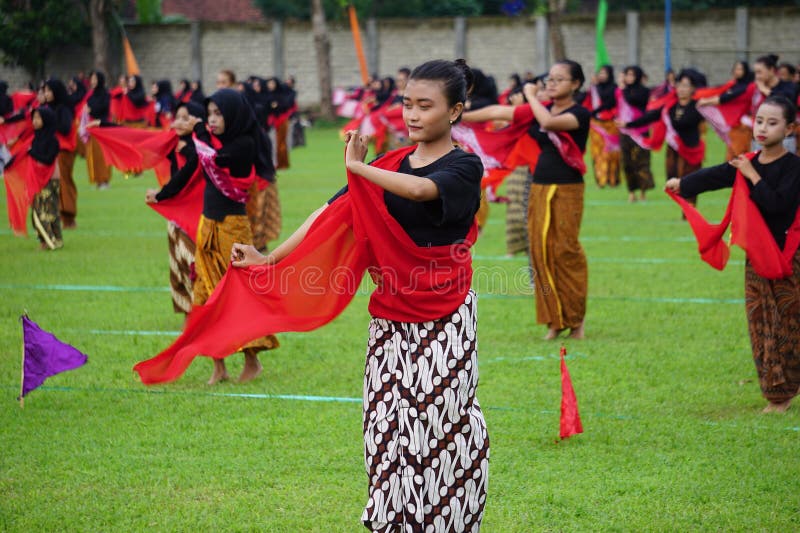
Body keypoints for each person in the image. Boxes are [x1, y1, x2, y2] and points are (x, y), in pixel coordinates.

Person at [228, 59, 490, 532]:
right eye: (407, 104)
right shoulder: (385, 166)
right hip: (389, 317)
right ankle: (394, 523)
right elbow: (328, 214)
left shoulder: (464, 165)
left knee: (440, 428)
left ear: (454, 113)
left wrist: (357, 168)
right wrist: (269, 259)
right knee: (385, 430)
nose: (412, 115)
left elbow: (420, 190)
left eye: (425, 106)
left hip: (445, 315)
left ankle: (450, 520)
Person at [666, 95, 800, 414]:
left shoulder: (793, 167)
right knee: (761, 322)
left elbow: (778, 204)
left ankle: (787, 385)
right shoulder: (747, 160)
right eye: (759, 121)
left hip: (788, 257)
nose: (763, 128)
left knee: (789, 322)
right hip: (757, 257)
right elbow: (714, 176)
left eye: (772, 122)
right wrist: (683, 183)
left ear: (791, 128)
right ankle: (777, 393)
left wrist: (751, 175)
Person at [460, 61, 591, 340]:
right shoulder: (536, 110)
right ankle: (554, 321)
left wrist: (531, 95)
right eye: (550, 80)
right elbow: (498, 111)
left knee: (565, 251)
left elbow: (549, 123)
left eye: (559, 80)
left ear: (576, 84)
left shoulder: (578, 113)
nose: (551, 84)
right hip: (540, 187)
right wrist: (457, 114)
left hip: (567, 189)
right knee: (540, 252)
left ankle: (576, 319)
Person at [195, 88, 279, 384]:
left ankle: (252, 360)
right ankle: (218, 365)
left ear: (233, 114)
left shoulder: (243, 143)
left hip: (233, 227)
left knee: (237, 295)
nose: (212, 120)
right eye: (209, 114)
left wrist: (195, 131)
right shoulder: (209, 141)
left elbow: (218, 159)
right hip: (207, 225)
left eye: (218, 114)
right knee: (206, 294)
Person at [145, 101, 207, 316]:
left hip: (195, 216)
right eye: (177, 117)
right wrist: (105, 126)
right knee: (179, 265)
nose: (178, 122)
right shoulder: (175, 142)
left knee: (192, 261)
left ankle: (201, 309)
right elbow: (140, 139)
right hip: (175, 213)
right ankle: (189, 311)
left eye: (185, 118)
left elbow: (185, 175)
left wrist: (161, 195)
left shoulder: (200, 147)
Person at [623, 68, 707, 207]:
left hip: (691, 151)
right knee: (673, 178)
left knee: (690, 182)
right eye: (680, 85)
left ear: (693, 88)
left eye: (686, 85)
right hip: (674, 150)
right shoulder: (670, 106)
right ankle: (685, 208)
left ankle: (689, 212)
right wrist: (628, 124)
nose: (682, 89)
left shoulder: (698, 106)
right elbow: (651, 116)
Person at [696, 60, 755, 160]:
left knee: (739, 156)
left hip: (742, 126)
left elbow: (725, 98)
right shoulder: (733, 84)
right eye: (735, 69)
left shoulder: (748, 87)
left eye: (740, 69)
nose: (737, 71)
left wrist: (706, 101)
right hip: (734, 126)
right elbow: (719, 92)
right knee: (731, 156)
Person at [43, 79, 78, 229]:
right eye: (45, 91)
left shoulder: (63, 109)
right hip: (52, 150)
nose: (46, 94)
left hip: (63, 150)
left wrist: (49, 120)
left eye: (49, 91)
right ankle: (58, 215)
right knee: (54, 184)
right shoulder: (49, 108)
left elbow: (65, 128)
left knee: (64, 182)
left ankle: (68, 217)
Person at [617, 66, 654, 202]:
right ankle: (631, 191)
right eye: (627, 75)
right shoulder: (621, 91)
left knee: (642, 162)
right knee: (627, 163)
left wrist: (623, 88)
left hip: (641, 131)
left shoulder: (644, 91)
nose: (629, 78)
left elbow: (634, 100)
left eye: (632, 75)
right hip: (625, 132)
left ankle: (643, 191)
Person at [29, 107, 63, 249]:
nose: (35, 121)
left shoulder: (53, 140)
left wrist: (31, 153)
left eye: (38, 118)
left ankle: (53, 239)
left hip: (50, 178)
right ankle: (46, 240)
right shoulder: (35, 138)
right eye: (34, 118)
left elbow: (48, 160)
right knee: (37, 210)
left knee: (49, 209)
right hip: (38, 178)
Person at [588, 65, 620, 188]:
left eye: (604, 73)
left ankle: (612, 179)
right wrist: (593, 86)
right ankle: (600, 179)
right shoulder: (594, 89)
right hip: (596, 124)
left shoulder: (614, 88)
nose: (601, 76)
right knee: (597, 153)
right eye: (600, 73)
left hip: (611, 124)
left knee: (612, 153)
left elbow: (611, 103)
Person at [83, 70, 112, 188]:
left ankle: (105, 180)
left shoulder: (106, 94)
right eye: (91, 79)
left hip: (103, 127)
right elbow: (87, 108)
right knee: (93, 155)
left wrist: (91, 109)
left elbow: (103, 108)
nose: (92, 81)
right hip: (92, 128)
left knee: (103, 155)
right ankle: (98, 180)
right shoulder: (91, 95)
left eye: (95, 79)